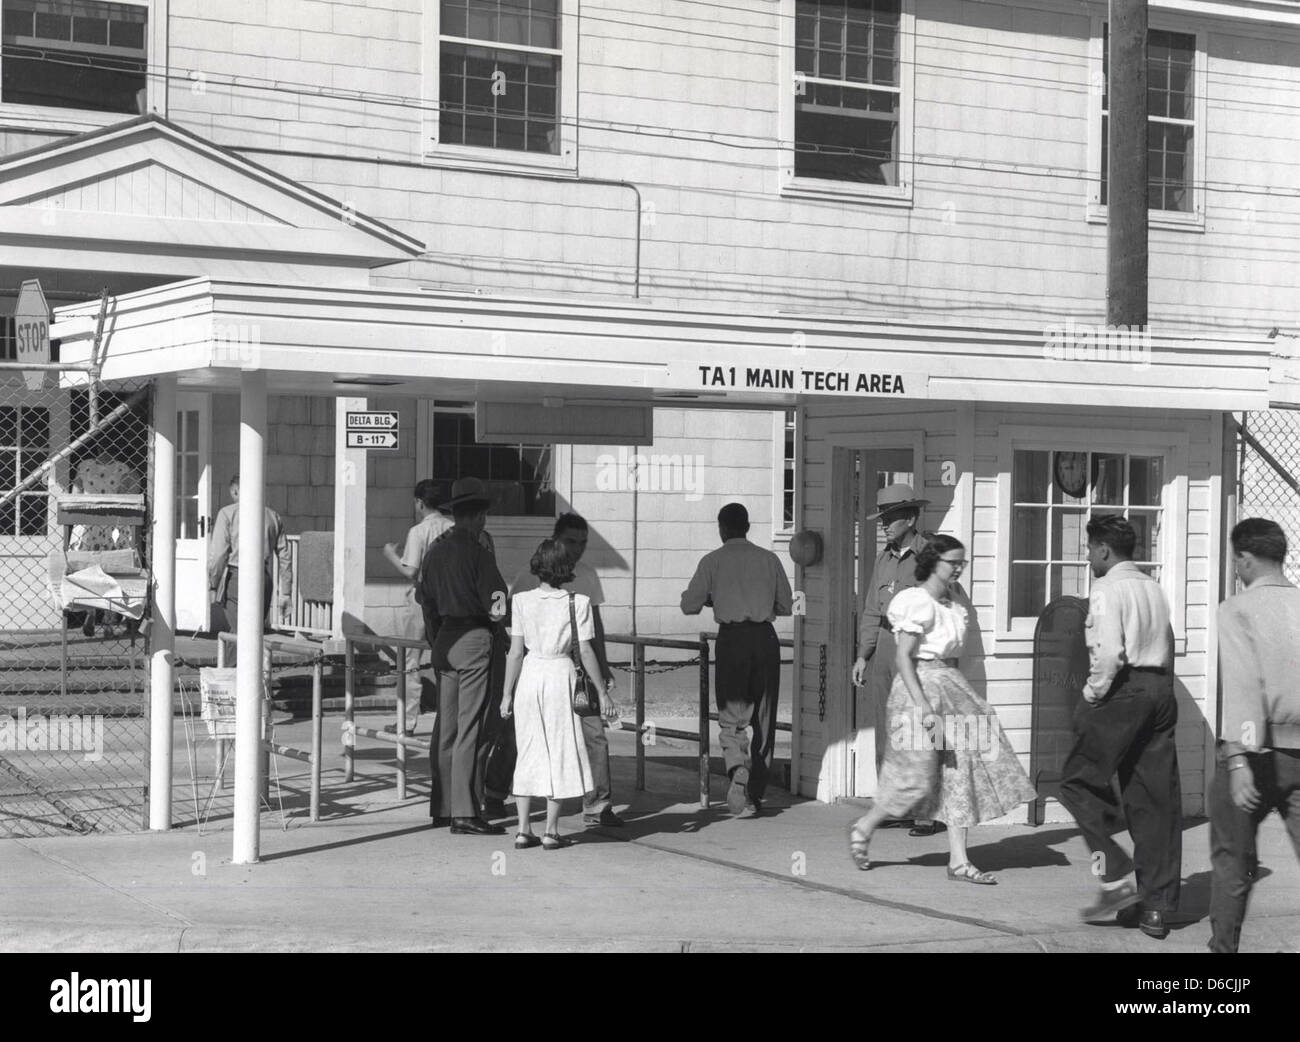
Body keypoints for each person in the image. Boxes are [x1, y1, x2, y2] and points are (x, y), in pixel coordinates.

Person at [846, 536, 1036, 882]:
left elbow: (951, 657)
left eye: (962, 561)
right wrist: (925, 709)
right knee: (914, 776)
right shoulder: (914, 601)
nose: (959, 567)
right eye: (953, 562)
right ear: (934, 562)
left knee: (959, 772)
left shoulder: (954, 604)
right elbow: (904, 657)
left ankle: (959, 861)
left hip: (950, 687)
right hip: (917, 693)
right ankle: (864, 826)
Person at [1058, 514, 1180, 940]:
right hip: (1160, 688)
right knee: (1154, 800)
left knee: (1076, 780)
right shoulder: (1153, 587)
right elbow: (1168, 641)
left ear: (1104, 550)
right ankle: (1155, 907)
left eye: (1090, 549)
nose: (1088, 556)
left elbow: (1109, 653)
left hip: (1122, 690)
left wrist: (1093, 694)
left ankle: (1117, 870)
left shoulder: (1107, 588)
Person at [1208, 518, 1300, 953]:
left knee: (1233, 860)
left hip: (1255, 753)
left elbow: (1243, 685)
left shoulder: (1236, 609)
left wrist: (1239, 758)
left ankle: (1223, 956)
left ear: (1244, 559)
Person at [508, 513, 624, 827]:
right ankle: (498, 794)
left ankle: (597, 805)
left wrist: (604, 667)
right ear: (556, 540)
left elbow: (594, 630)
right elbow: (514, 636)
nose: (577, 549)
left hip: (578, 668)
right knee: (534, 738)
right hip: (540, 669)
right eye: (571, 541)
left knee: (593, 734)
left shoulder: (588, 576)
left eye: (583, 543)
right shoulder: (527, 578)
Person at [681, 502, 793, 818]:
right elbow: (785, 605)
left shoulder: (712, 561)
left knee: (732, 715)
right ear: (747, 526)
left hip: (732, 640)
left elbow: (688, 605)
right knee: (765, 718)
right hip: (765, 639)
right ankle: (754, 793)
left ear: (722, 528)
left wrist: (713, 598)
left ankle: (736, 767)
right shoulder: (769, 559)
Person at [419, 477, 509, 836]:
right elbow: (497, 605)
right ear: (479, 517)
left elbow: (425, 601)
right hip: (473, 638)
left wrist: (435, 637)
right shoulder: (478, 554)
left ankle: (442, 806)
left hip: (443, 639)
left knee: (446, 726)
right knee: (471, 728)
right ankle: (466, 811)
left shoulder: (435, 553)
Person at [850, 483, 941, 837]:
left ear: (910, 517)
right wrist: (863, 654)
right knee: (886, 726)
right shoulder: (884, 557)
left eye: (890, 518)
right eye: (882, 517)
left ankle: (925, 810)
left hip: (915, 647)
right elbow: (872, 608)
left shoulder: (929, 554)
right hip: (887, 644)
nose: (884, 524)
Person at [383, 479, 450, 734]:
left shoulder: (419, 532)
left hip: (422, 600)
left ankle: (407, 721)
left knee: (410, 660)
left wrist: (391, 556)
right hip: (449, 600)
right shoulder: (453, 527)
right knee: (446, 659)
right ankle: (447, 719)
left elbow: (411, 570)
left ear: (420, 503)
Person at [207, 473, 291, 632]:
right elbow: (285, 556)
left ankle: (234, 658)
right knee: (254, 632)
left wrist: (213, 584)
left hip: (237, 575)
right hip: (264, 576)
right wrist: (286, 591)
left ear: (235, 491)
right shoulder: (273, 516)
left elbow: (218, 554)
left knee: (237, 632)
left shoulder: (227, 513)